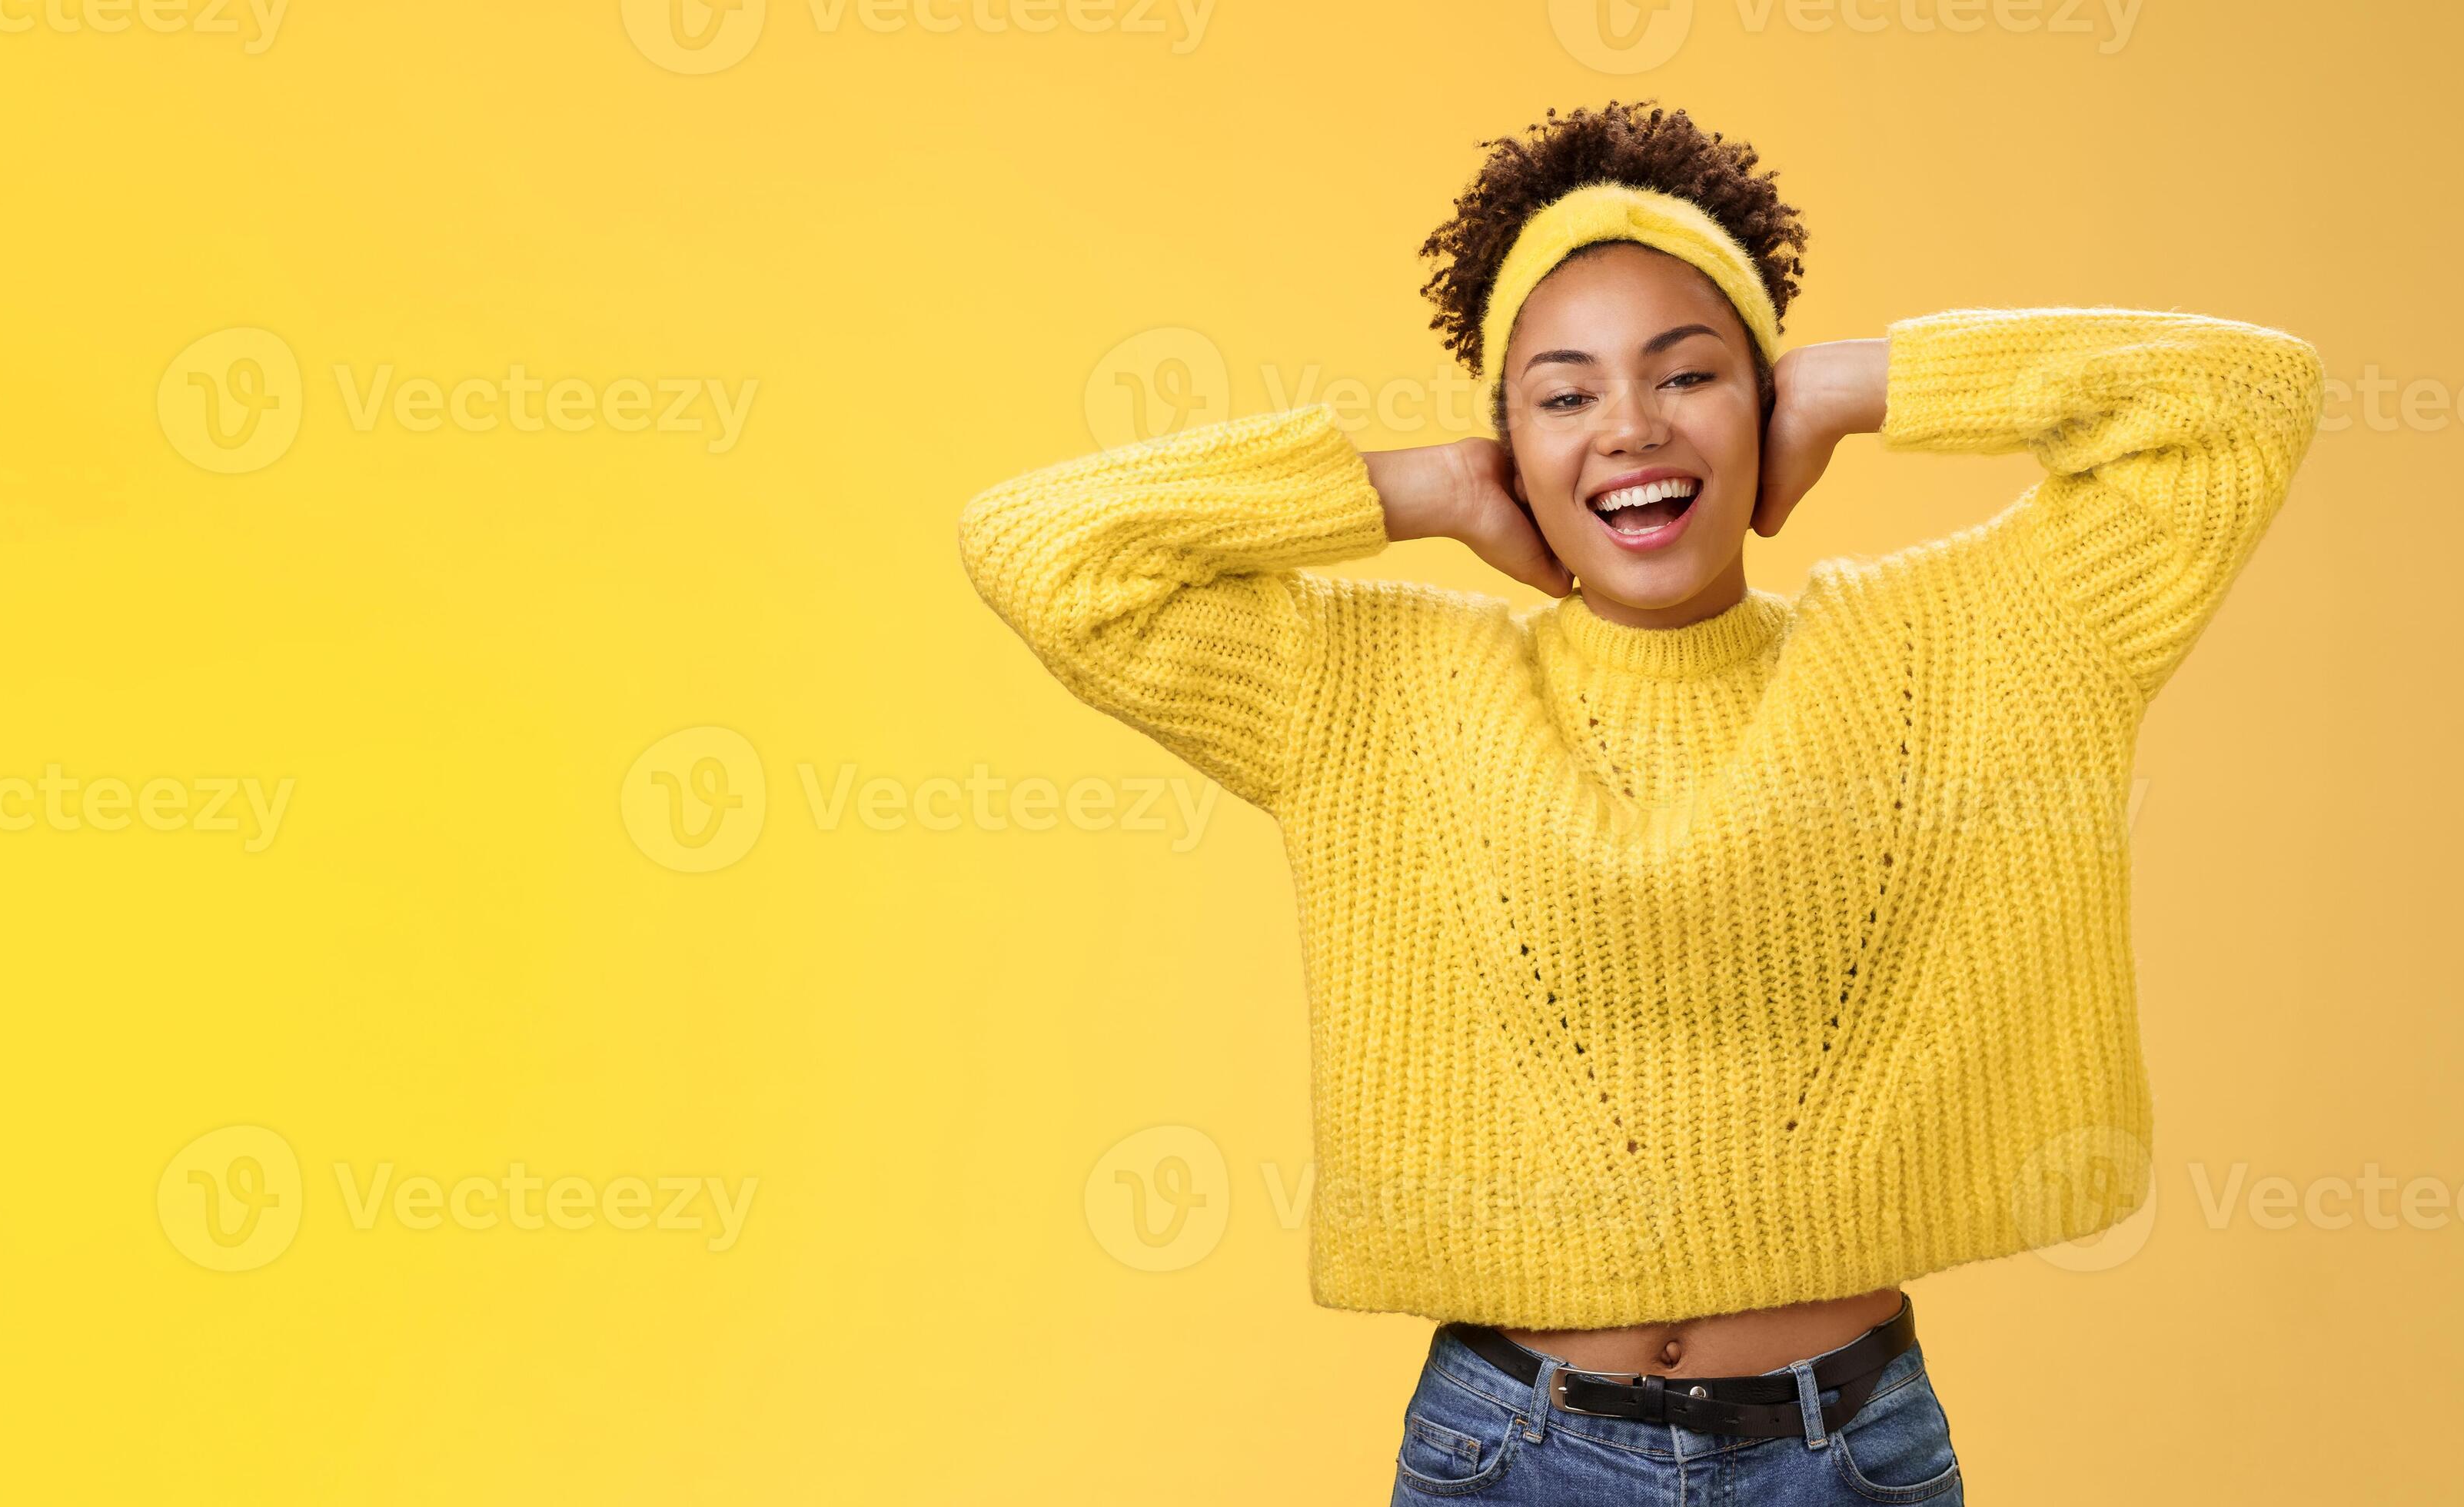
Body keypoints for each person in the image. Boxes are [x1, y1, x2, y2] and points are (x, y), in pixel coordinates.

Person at [957, 101, 2319, 1505]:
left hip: (1842, 1459)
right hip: (1510, 1452)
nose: (1629, 428)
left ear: (1761, 404)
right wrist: (1418, 488)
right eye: (1562, 397)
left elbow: (2241, 402)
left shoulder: (1960, 645)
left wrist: (1864, 383)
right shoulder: (1371, 688)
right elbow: (1042, 553)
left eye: (1688, 375)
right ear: (1508, 441)